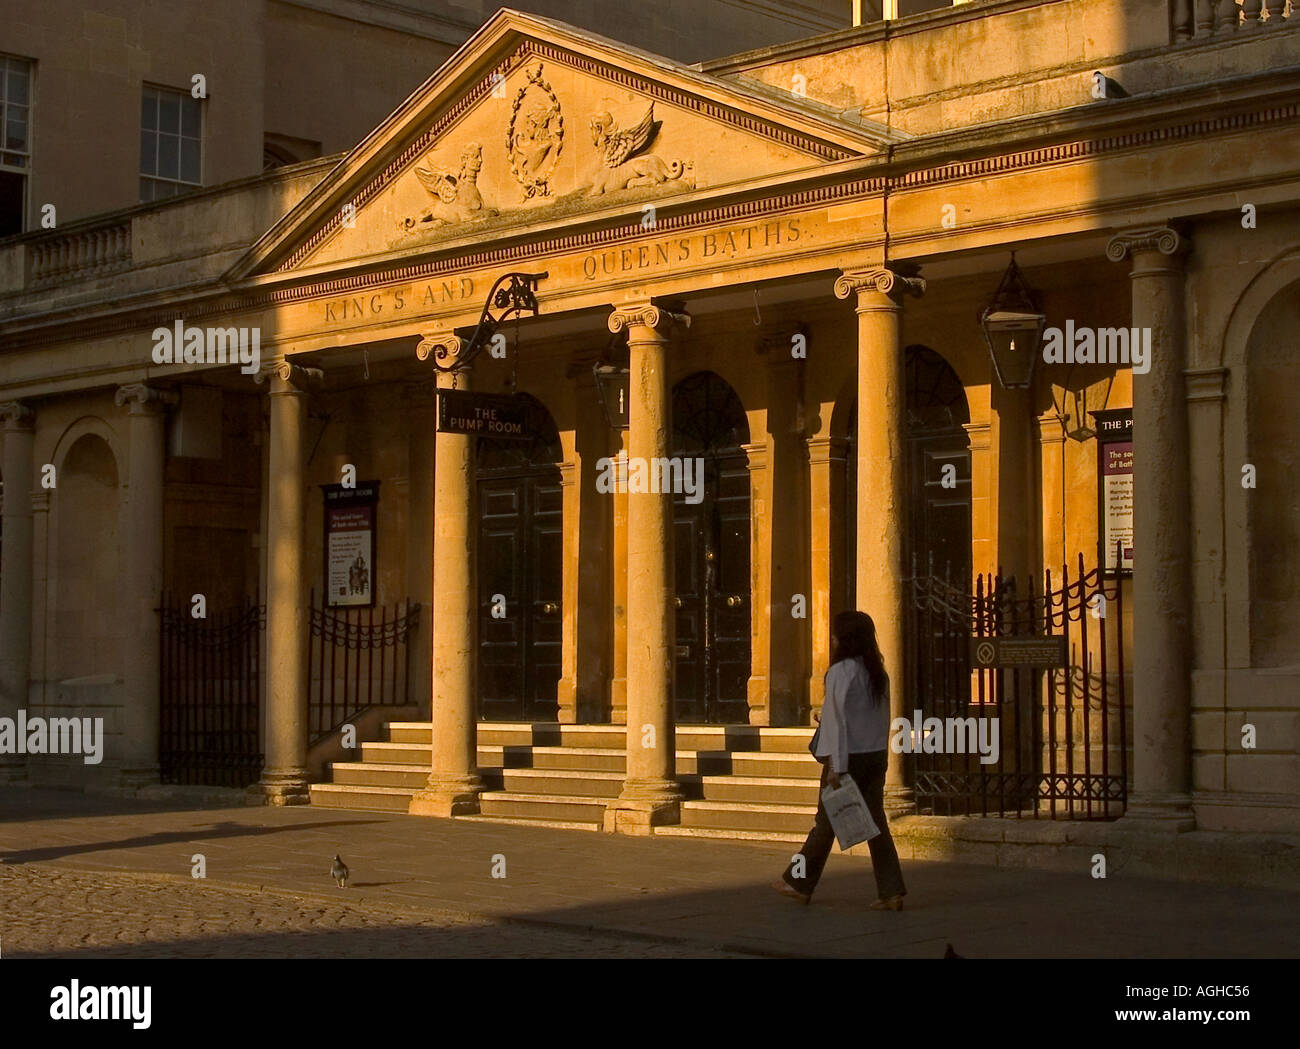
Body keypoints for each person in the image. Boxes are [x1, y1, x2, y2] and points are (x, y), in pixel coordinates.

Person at [772, 610, 907, 910]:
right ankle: (891, 890)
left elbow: (837, 724)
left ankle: (798, 882)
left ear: (844, 639)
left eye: (835, 634)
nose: (831, 639)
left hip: (847, 758)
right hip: (874, 756)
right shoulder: (877, 673)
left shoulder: (840, 672)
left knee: (824, 822)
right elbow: (875, 718)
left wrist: (836, 765)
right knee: (876, 824)